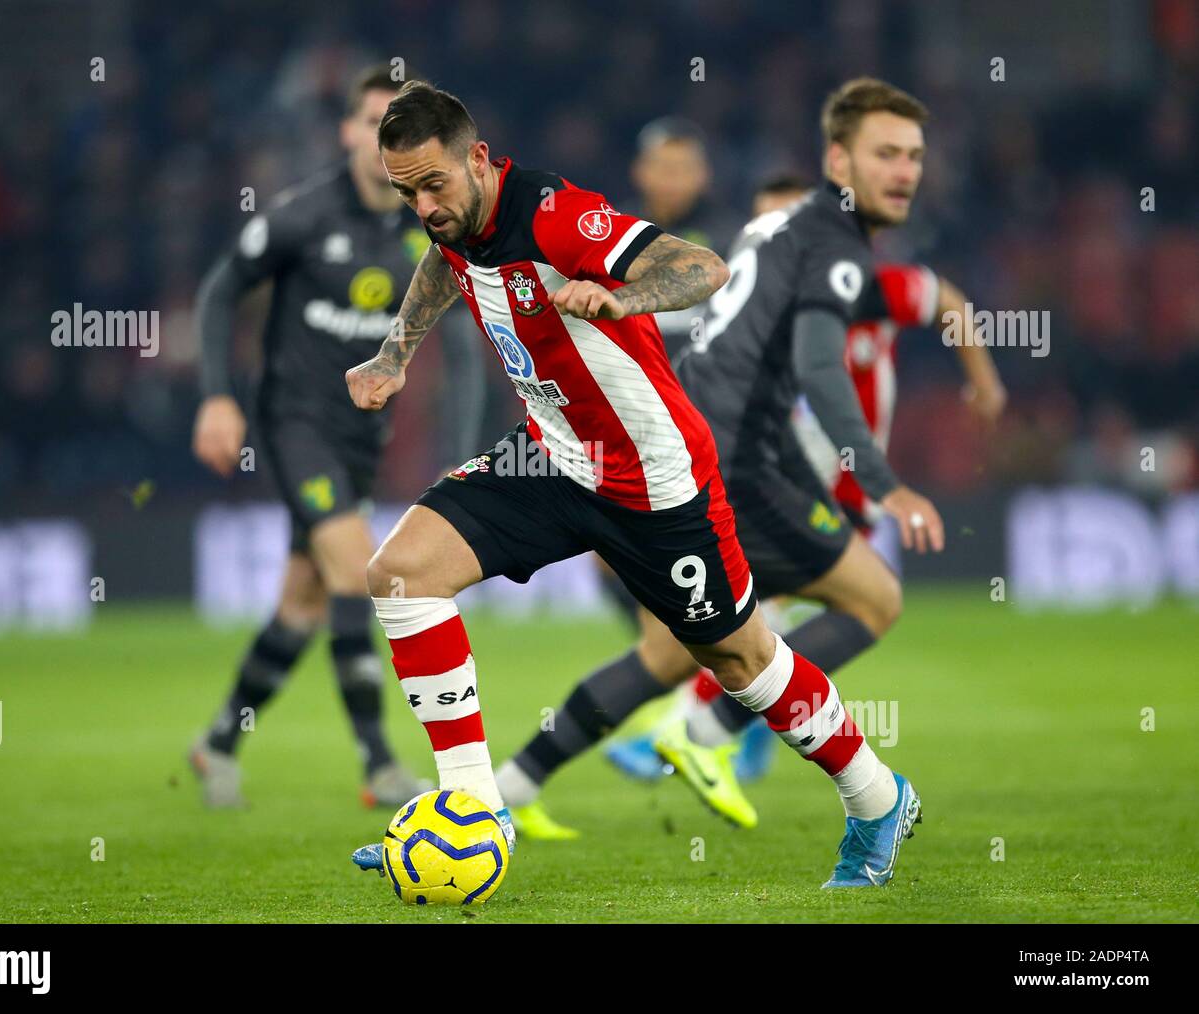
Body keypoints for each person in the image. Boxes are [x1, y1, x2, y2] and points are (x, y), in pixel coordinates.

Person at [345, 79, 920, 890]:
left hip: (654, 478)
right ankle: (472, 810)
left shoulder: (553, 214)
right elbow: (447, 264)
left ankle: (875, 798)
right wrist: (396, 353)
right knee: (400, 574)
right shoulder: (454, 221)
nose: (425, 207)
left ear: (477, 159)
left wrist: (619, 296)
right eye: (407, 194)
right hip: (552, 456)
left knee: (742, 659)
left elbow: (701, 267)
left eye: (434, 184)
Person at [495, 78, 946, 864]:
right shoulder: (830, 241)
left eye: (914, 156)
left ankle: (510, 790)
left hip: (676, 448)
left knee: (671, 653)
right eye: (885, 154)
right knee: (874, 597)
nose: (904, 171)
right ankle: (709, 733)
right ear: (837, 159)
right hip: (733, 459)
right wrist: (882, 481)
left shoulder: (772, 226)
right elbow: (817, 363)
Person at [187, 65, 483, 810]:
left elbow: (468, 341)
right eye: (374, 124)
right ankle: (379, 764)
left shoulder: (430, 223)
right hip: (294, 424)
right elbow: (222, 289)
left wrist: (468, 440)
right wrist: (218, 398)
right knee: (360, 573)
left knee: (303, 603)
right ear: (350, 132)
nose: (387, 143)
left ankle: (217, 743)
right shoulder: (302, 216)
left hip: (359, 440)